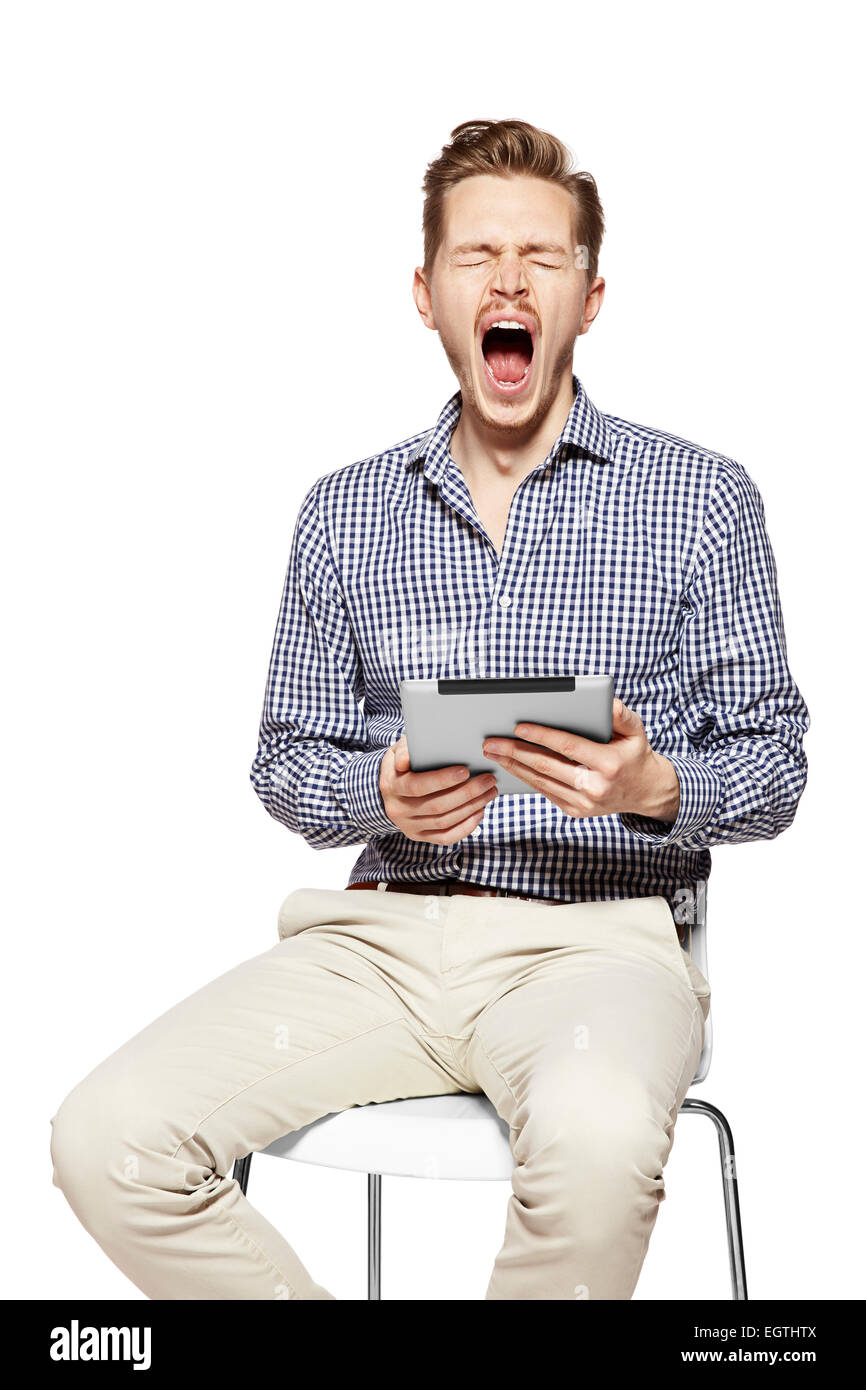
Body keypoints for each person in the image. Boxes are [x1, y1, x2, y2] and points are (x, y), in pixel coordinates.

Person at [50, 118, 810, 1300]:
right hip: (383, 940)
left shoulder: (700, 497)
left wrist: (654, 787)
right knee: (109, 1138)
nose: (507, 280)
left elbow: (773, 766)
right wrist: (377, 788)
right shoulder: (343, 511)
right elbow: (287, 760)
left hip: (598, 937)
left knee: (601, 1149)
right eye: (475, 255)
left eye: (540, 257)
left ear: (589, 294)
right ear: (425, 292)